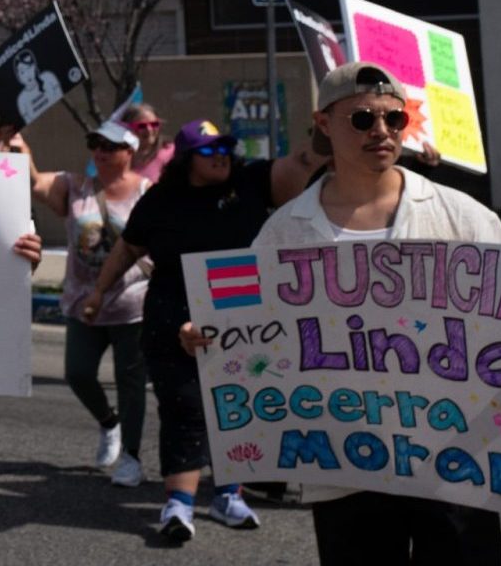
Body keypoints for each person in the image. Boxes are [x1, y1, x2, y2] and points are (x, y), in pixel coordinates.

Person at [183, 62, 501, 564]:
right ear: (323, 123)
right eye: (362, 119)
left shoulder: (465, 218)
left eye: (395, 119)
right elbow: (249, 330)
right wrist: (207, 338)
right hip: (347, 469)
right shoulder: (286, 232)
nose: (381, 131)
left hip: (457, 468)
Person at [83, 118, 323, 544]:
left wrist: (324, 133)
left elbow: (302, 163)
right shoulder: (161, 200)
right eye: (211, 152)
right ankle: (178, 504)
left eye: (225, 149)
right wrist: (100, 291)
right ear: (189, 160)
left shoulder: (251, 181)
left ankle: (229, 494)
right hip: (171, 313)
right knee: (185, 406)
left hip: (240, 313)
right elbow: (129, 247)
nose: (222, 158)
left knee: (237, 405)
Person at [34, 120, 151, 488]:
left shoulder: (148, 192)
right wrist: (15, 143)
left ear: (129, 152)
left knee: (131, 383)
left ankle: (131, 457)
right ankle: (108, 422)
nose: (100, 151)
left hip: (132, 304)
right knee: (78, 373)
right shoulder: (75, 186)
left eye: (110, 146)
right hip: (82, 303)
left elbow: (156, 244)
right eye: (95, 143)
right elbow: (31, 179)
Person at [118, 102, 171, 180]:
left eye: (154, 124)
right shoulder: (115, 158)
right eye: (141, 126)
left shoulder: (171, 153)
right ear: (127, 128)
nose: (149, 130)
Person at [11, 48, 63, 122]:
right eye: (22, 72)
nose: (27, 74)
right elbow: (28, 120)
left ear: (35, 66)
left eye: (29, 68)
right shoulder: (21, 100)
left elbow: (60, 97)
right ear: (18, 76)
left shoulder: (48, 77)